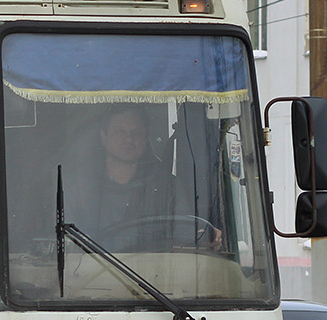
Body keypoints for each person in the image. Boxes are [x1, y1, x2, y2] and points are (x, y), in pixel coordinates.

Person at [68, 104, 220, 252]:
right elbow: (65, 244)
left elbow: (186, 238)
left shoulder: (168, 187)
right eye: (120, 131)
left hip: (153, 275)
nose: (128, 139)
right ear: (103, 136)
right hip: (89, 274)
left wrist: (205, 240)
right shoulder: (80, 187)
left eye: (136, 133)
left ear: (146, 137)